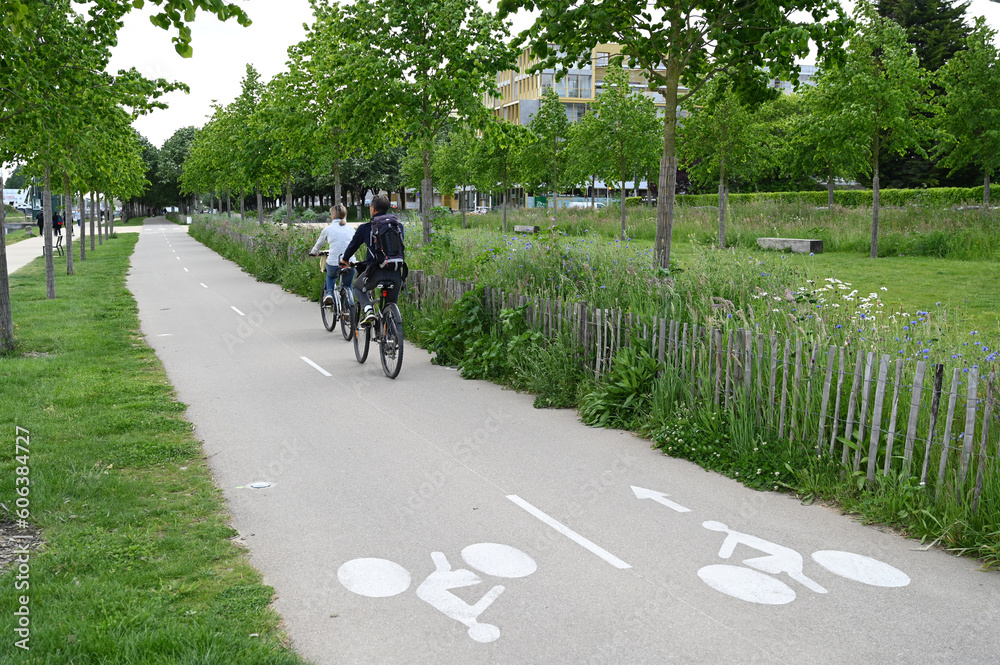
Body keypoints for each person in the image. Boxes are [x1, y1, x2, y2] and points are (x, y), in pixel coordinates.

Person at [340, 194, 405, 326]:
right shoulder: (398, 226)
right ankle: (391, 334)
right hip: (396, 272)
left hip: (375, 272)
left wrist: (344, 260)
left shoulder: (365, 228)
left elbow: (352, 246)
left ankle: (369, 310)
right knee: (390, 305)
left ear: (373, 209)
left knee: (358, 288)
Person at [309, 203, 356, 306]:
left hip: (334, 262)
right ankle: (349, 313)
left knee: (331, 276)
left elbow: (319, 244)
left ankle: (329, 293)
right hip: (350, 262)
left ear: (333, 216)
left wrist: (314, 253)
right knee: (347, 286)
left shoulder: (328, 229)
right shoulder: (351, 229)